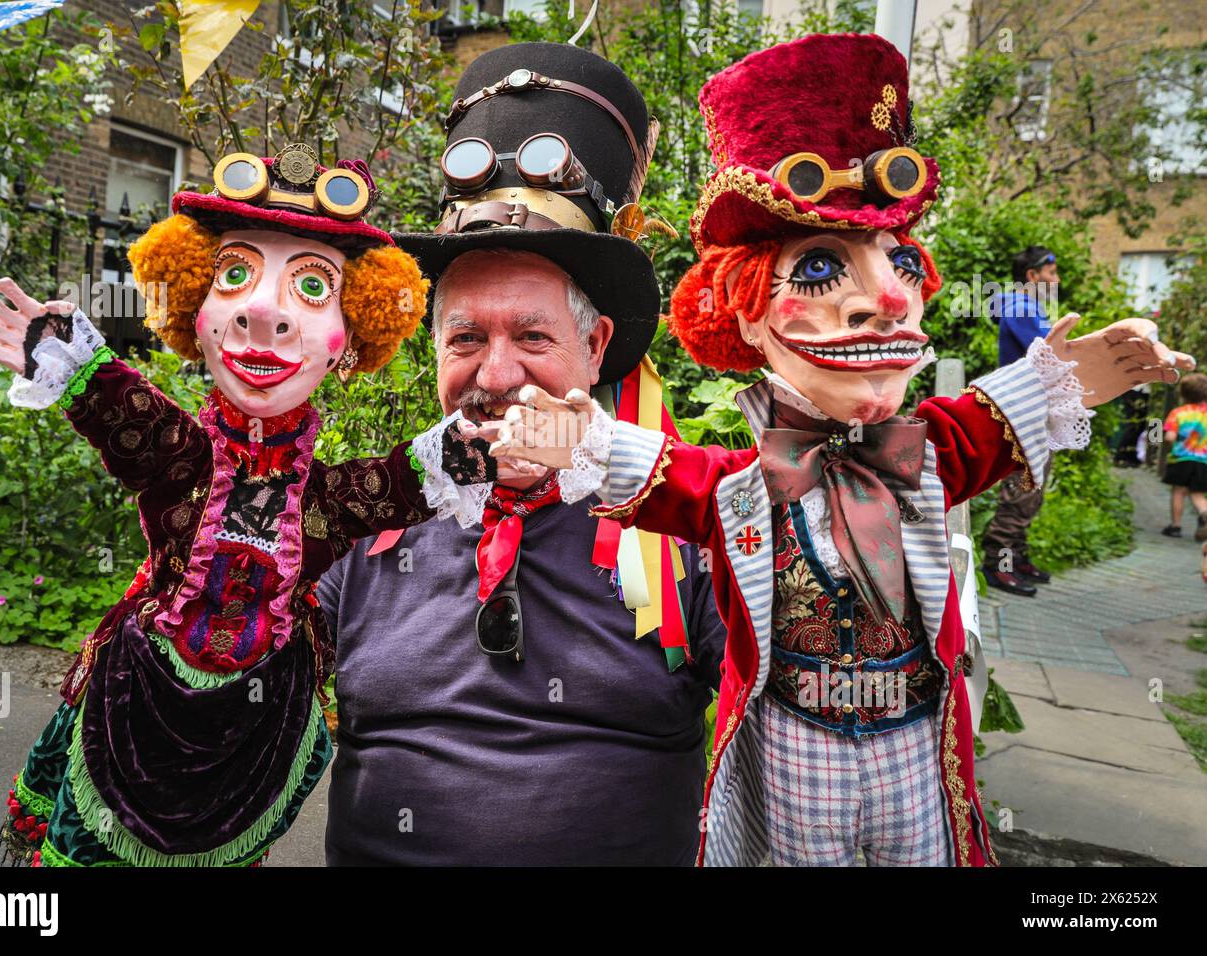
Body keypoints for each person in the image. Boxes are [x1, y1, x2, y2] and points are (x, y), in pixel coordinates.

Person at [480, 33, 1194, 867]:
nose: (886, 300)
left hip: (911, 756)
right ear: (746, 315)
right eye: (820, 270)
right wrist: (575, 440)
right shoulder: (741, 486)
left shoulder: (933, 454)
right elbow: (670, 474)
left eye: (899, 263)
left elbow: (1001, 412)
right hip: (792, 755)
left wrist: (1081, 370)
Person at [0, 144, 499, 866]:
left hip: (258, 727)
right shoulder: (175, 456)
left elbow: (400, 483)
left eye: (312, 289)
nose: (263, 315)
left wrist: (486, 441)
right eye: (236, 274)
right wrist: (69, 363)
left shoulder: (331, 501)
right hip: (137, 706)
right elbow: (124, 410)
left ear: (349, 340)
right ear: (194, 309)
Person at [316, 43, 727, 866]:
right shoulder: (359, 521)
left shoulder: (684, 531)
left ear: (596, 344)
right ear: (432, 351)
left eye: (533, 336)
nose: (497, 376)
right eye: (465, 338)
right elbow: (231, 670)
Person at [982, 245, 1061, 595]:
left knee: (1033, 487)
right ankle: (997, 566)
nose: (1056, 280)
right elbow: (1050, 357)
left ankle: (1015, 558)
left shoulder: (1030, 306)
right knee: (1022, 487)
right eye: (1052, 273)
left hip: (1036, 410)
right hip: (1024, 412)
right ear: (1032, 276)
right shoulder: (1021, 307)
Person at [1160, 372, 1207, 540]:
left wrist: (1169, 444)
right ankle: (1204, 513)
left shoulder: (1178, 413)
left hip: (1181, 458)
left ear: (1183, 393)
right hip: (1203, 461)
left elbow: (1169, 437)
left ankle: (1175, 526)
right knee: (1198, 493)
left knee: (1178, 492)